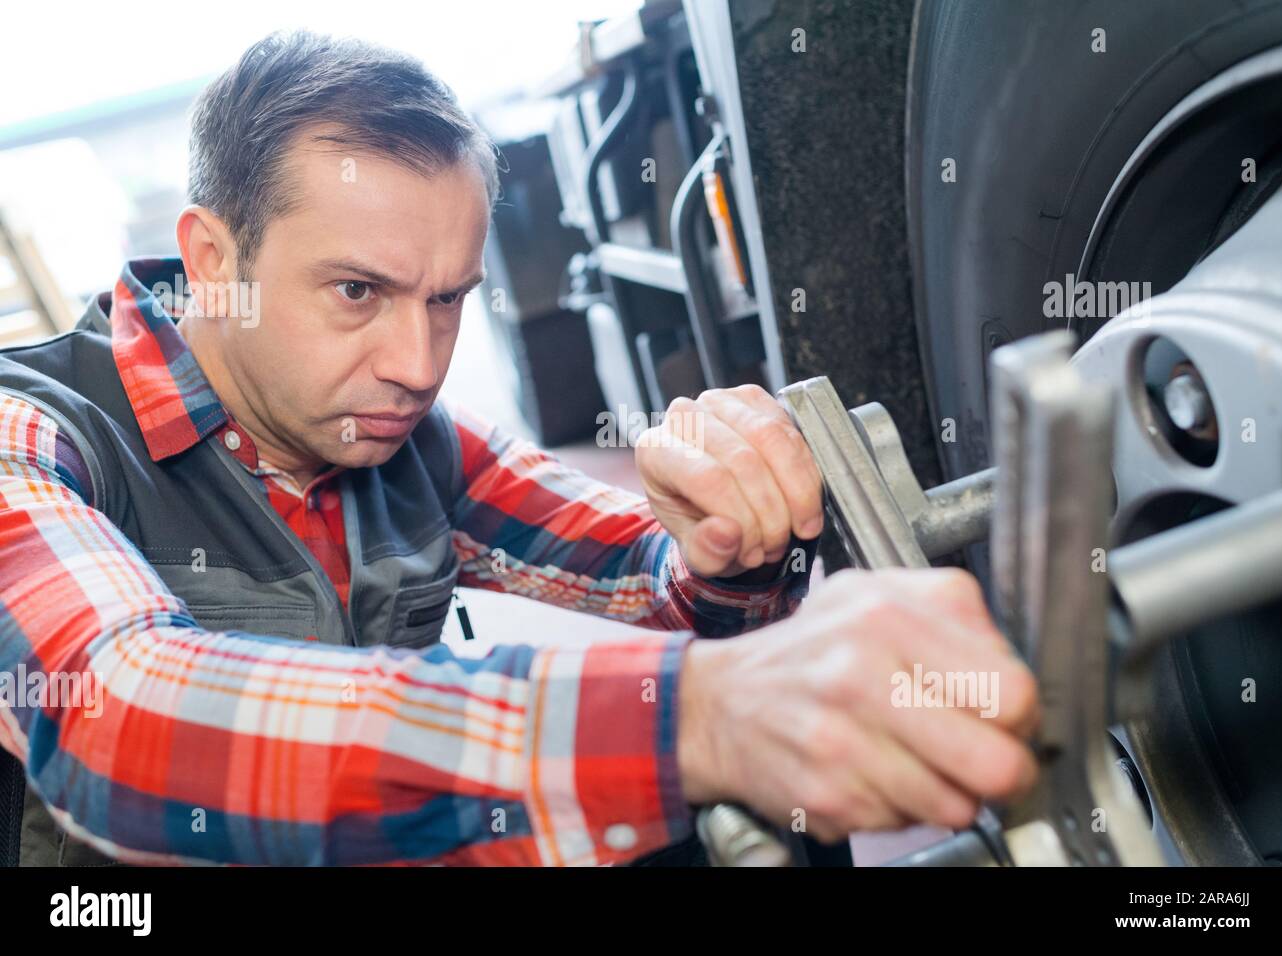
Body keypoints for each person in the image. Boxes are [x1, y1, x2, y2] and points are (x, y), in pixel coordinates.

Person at [0, 31, 1037, 866]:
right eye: (357, 291)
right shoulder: (32, 432)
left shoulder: (405, 440)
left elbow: (651, 573)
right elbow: (120, 716)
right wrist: (705, 716)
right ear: (213, 259)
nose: (416, 361)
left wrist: (727, 528)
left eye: (447, 298)